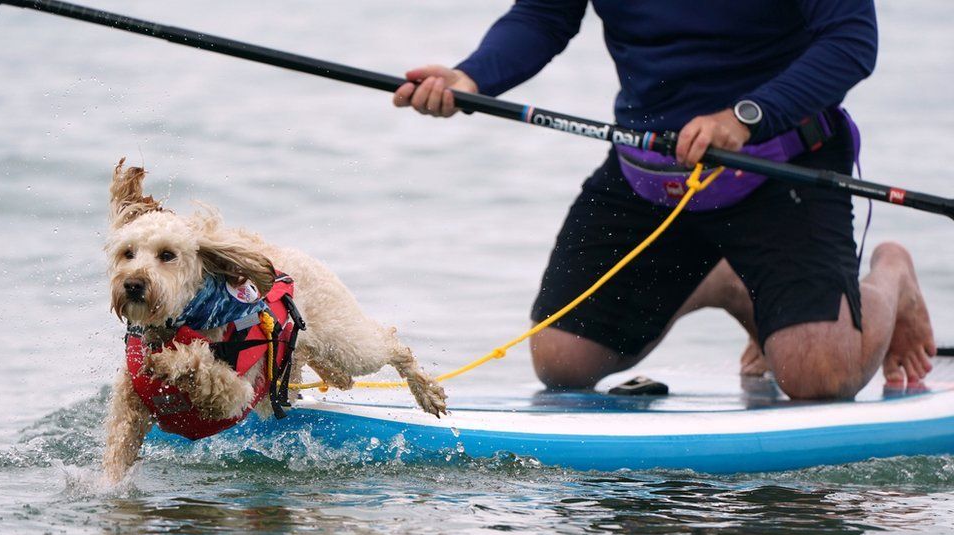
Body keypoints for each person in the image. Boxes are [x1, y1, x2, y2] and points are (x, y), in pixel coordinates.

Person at [392, 1, 936, 399]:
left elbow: (851, 40)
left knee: (818, 378)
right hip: (648, 170)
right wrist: (472, 76)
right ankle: (728, 281)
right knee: (561, 362)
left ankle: (892, 276)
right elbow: (542, 17)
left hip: (778, 164)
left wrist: (746, 117)